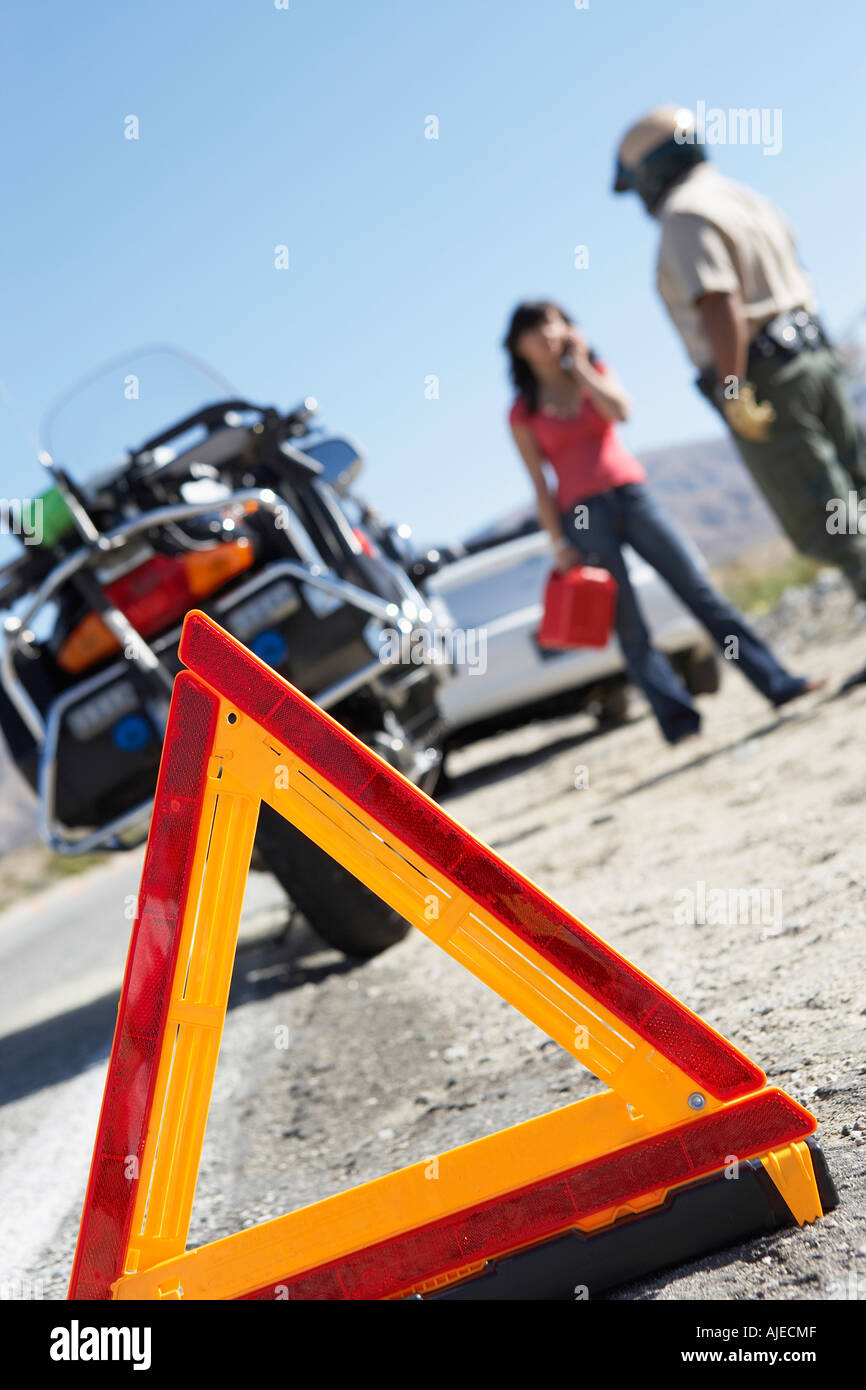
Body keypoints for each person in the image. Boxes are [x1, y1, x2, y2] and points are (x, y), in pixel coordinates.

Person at [612, 105, 866, 689]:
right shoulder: (743, 197)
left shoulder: (683, 216)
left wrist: (733, 389)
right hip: (816, 358)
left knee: (824, 510)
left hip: (767, 378)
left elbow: (719, 304)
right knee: (852, 492)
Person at [505, 299, 823, 745]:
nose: (549, 335)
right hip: (584, 516)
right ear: (519, 346)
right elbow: (539, 485)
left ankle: (777, 682)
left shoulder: (592, 370)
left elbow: (622, 411)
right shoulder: (522, 412)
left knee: (699, 591)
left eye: (555, 324)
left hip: (633, 496)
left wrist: (580, 366)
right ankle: (679, 723)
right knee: (628, 624)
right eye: (537, 330)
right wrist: (559, 543)